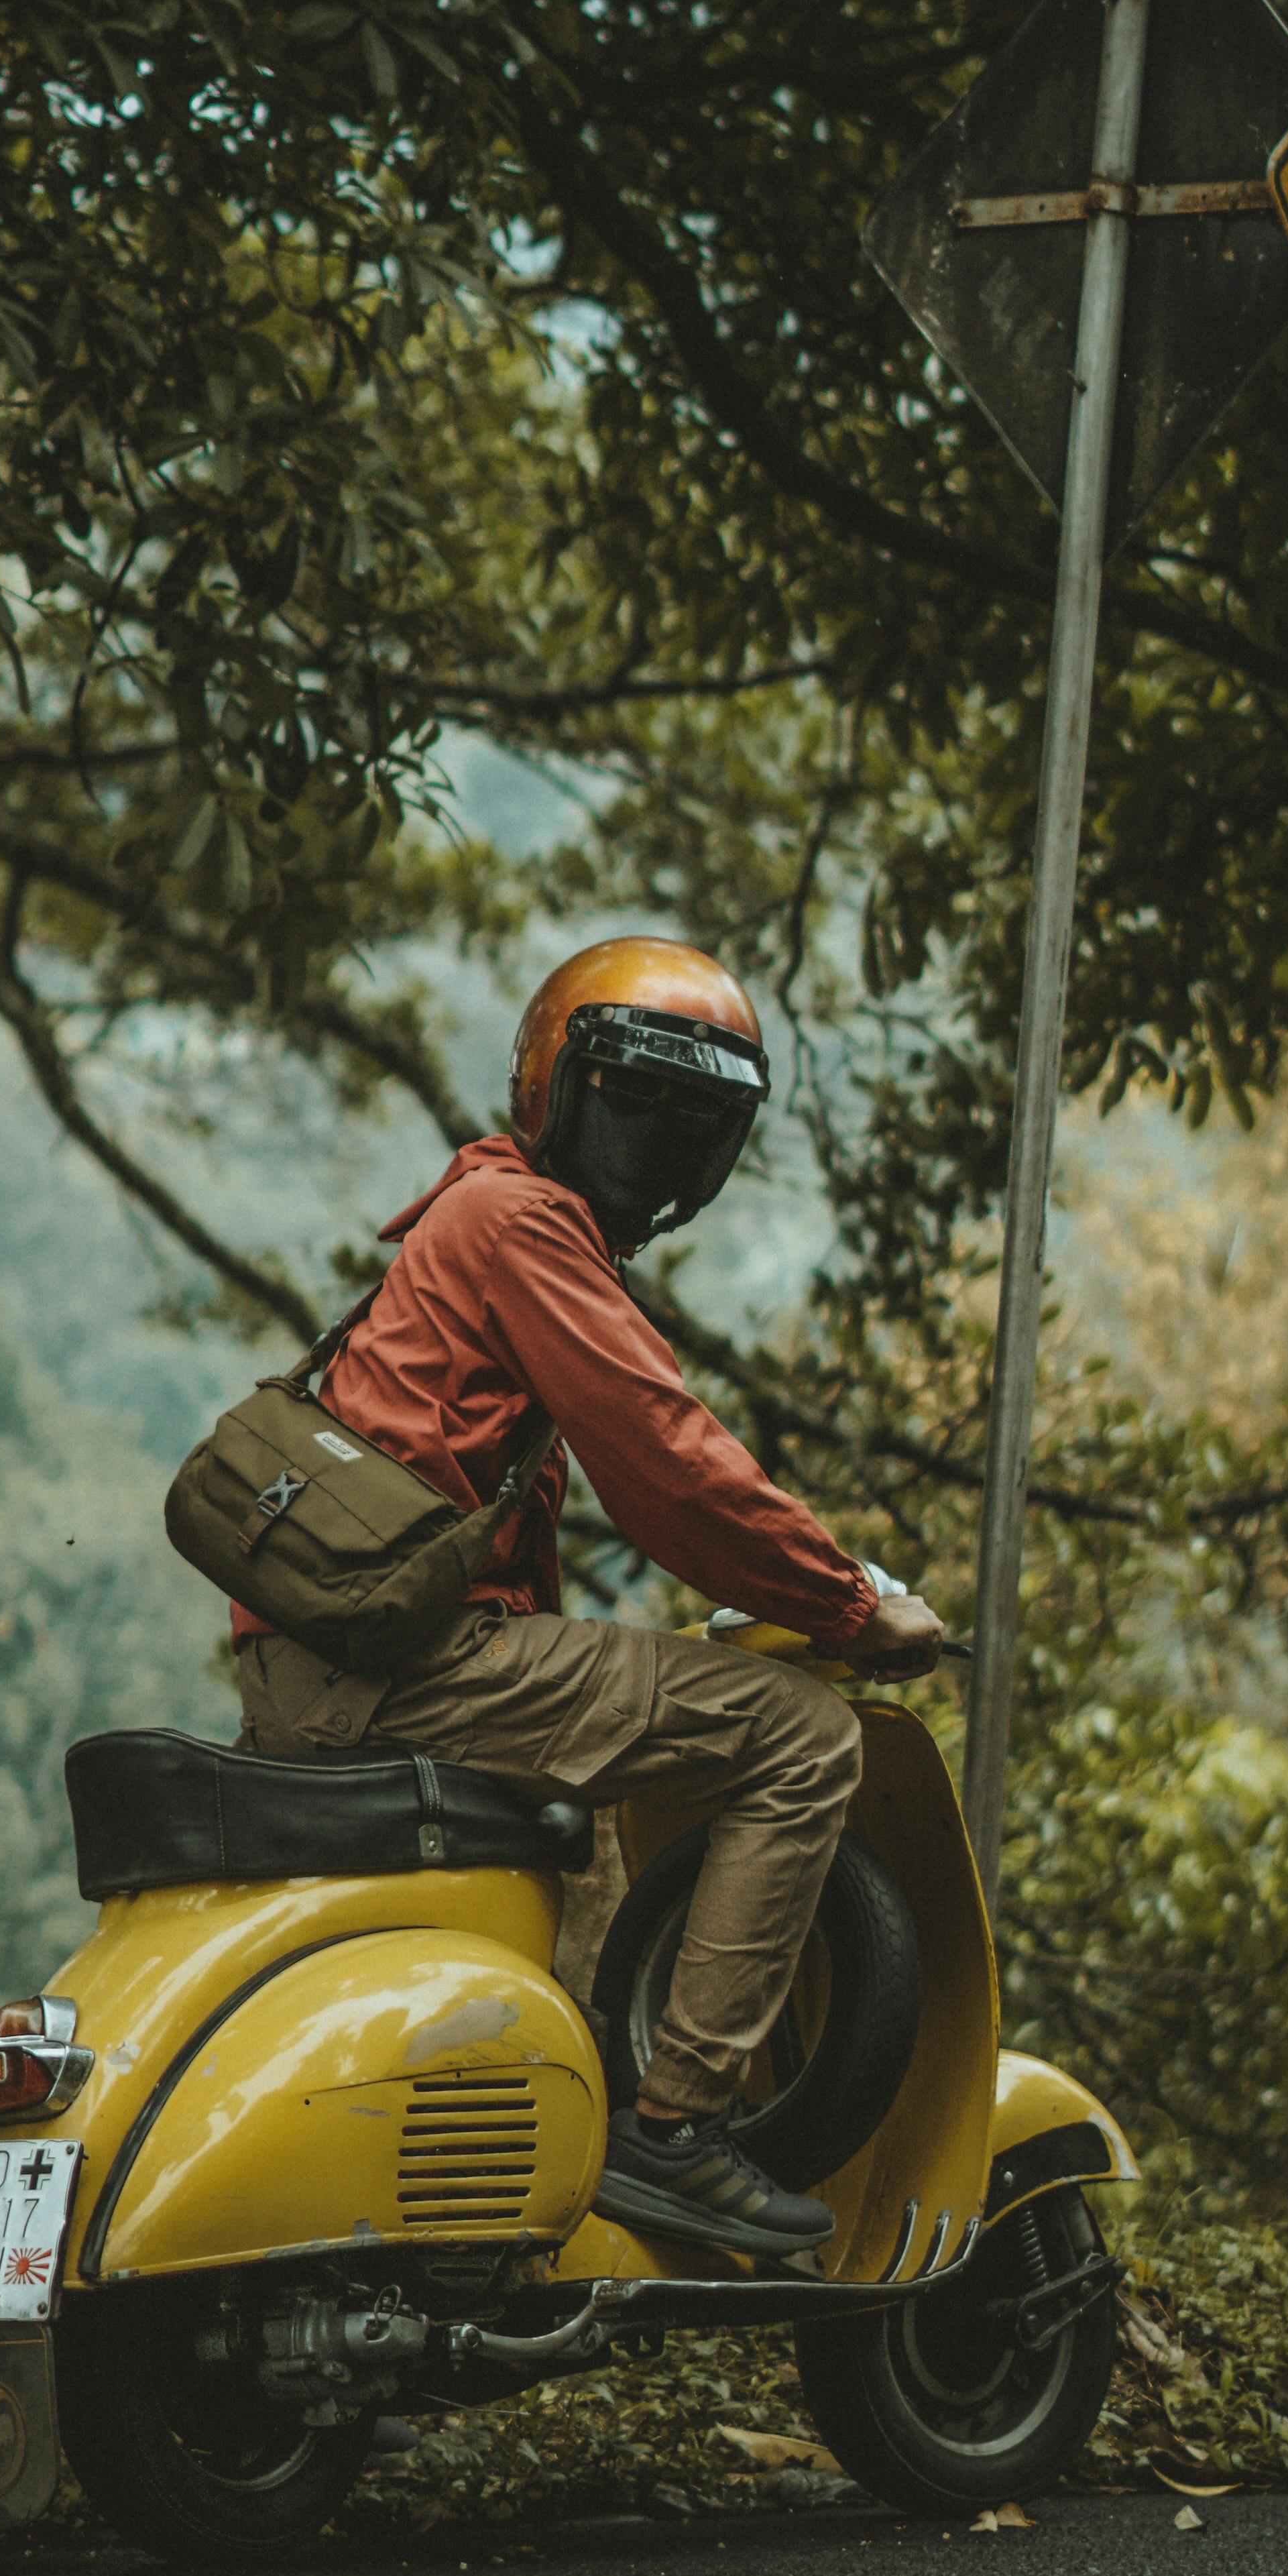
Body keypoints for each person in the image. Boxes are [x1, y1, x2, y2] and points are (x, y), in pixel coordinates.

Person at [231, 936, 945, 2255]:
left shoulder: (467, 1218)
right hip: (410, 1669)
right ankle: (674, 2129)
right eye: (631, 1105)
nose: (654, 1150)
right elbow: (666, 1459)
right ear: (553, 1087)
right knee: (797, 1735)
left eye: (693, 1126)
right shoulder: (524, 1223)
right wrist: (844, 1603)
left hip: (311, 1665)